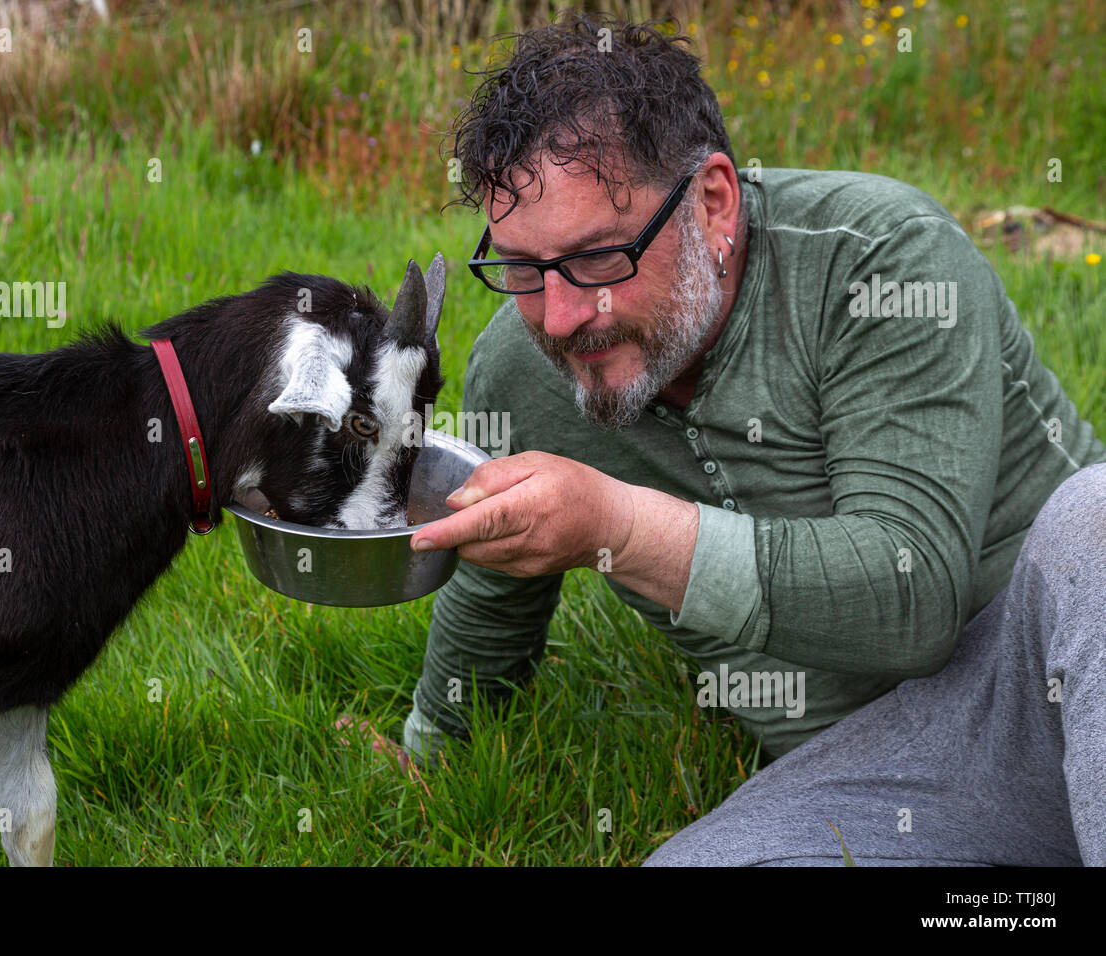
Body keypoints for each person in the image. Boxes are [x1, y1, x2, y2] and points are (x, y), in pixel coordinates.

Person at [387, 14, 1105, 865]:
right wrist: (429, 745)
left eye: (596, 259)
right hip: (882, 775)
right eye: (521, 268)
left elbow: (914, 599)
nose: (562, 314)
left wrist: (618, 527)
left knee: (1095, 521)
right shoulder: (526, 365)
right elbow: (499, 574)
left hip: (1053, 679)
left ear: (713, 203)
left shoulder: (880, 263)